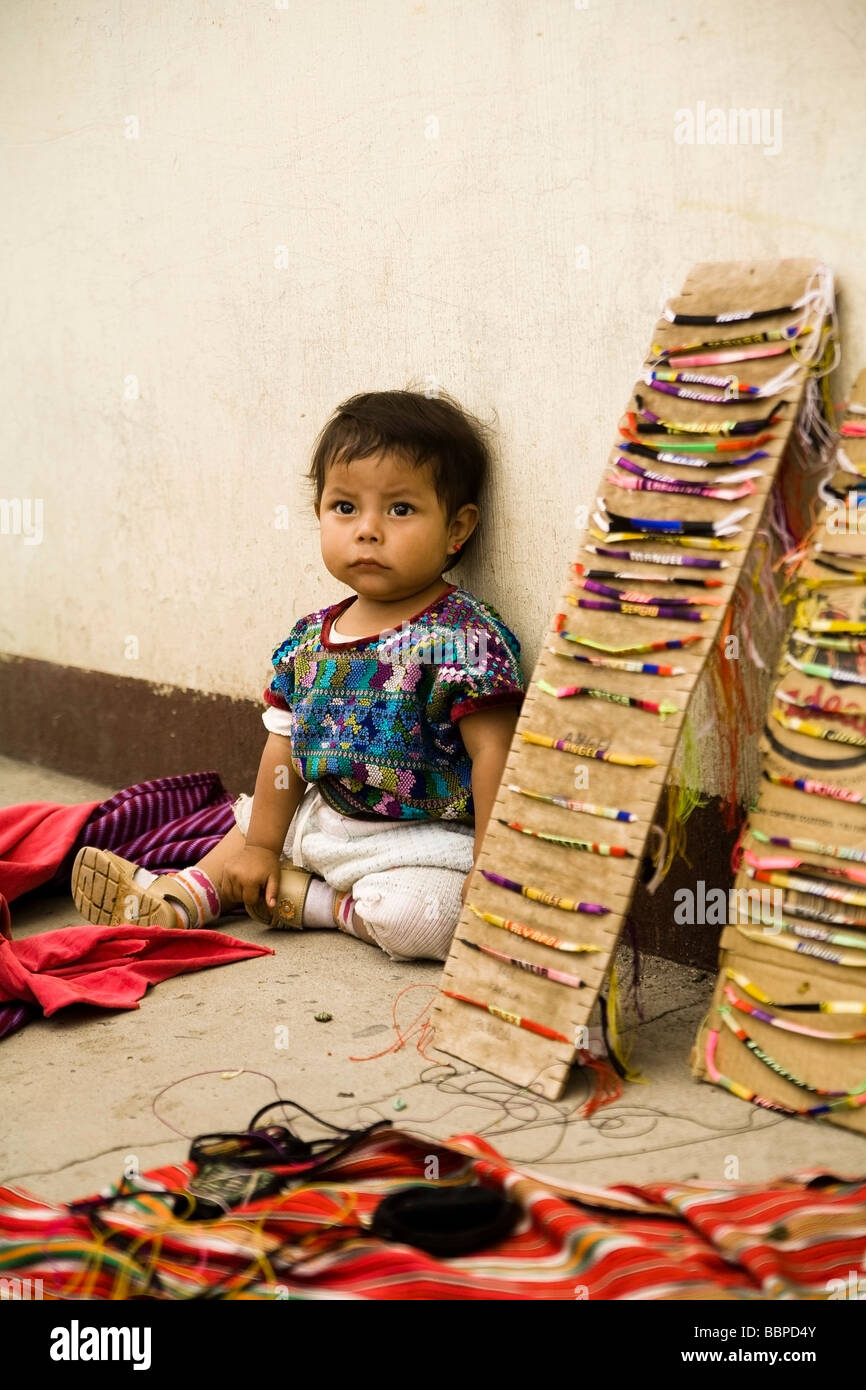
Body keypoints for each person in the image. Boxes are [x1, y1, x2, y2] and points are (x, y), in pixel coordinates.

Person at [72, 389, 526, 961]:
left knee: (423, 919)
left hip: (422, 840)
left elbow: (496, 755)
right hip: (324, 815)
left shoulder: (462, 636)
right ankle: (176, 898)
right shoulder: (310, 641)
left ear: (457, 527)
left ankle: (310, 902)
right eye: (345, 508)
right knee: (251, 821)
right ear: (319, 515)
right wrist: (262, 845)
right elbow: (283, 750)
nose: (368, 530)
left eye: (400, 510)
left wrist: (493, 867)